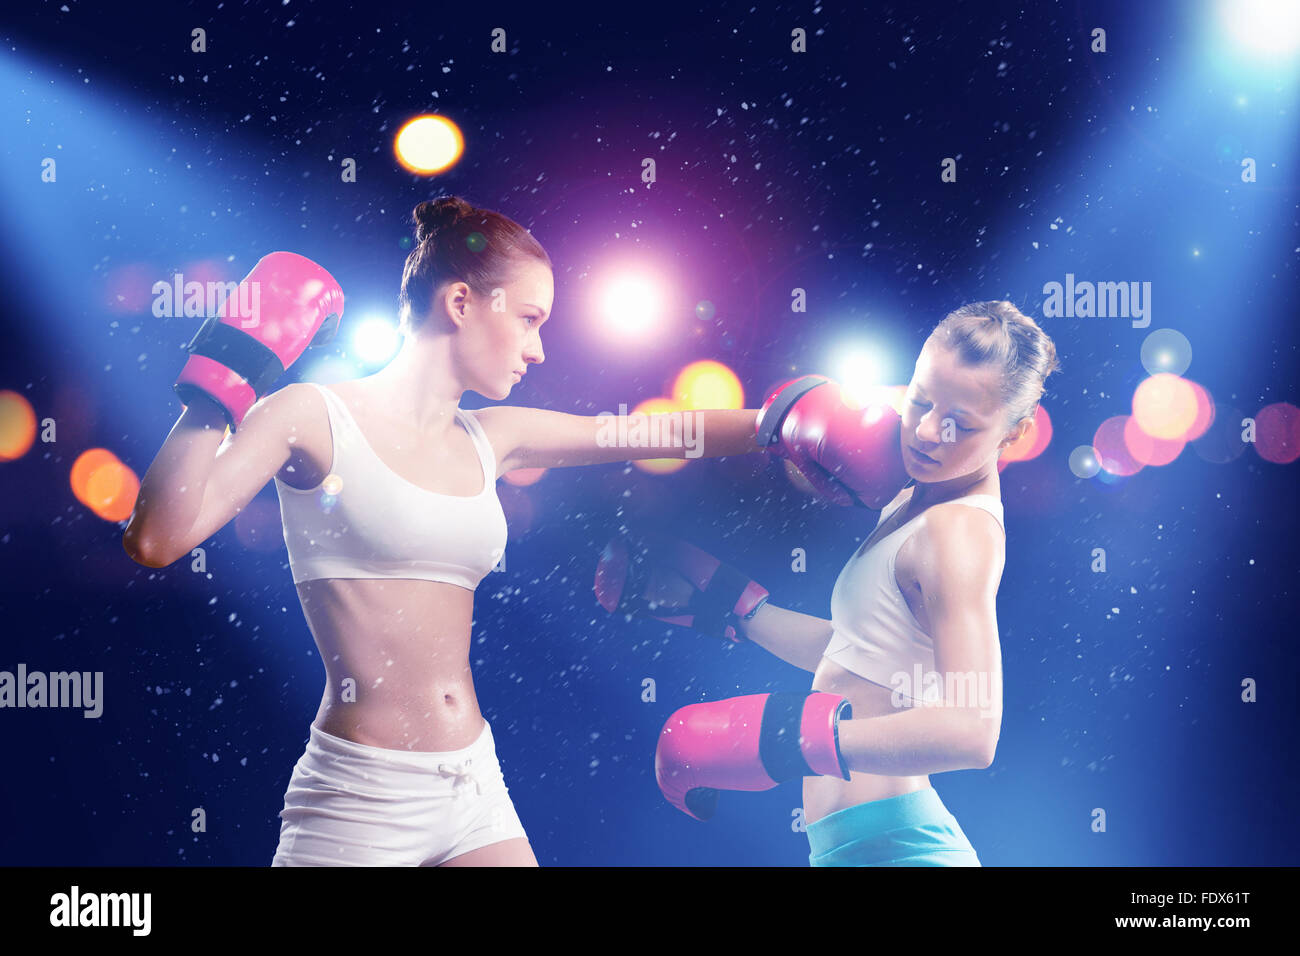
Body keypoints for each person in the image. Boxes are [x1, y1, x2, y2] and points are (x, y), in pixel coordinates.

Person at [121, 195, 762, 866]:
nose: (538, 349)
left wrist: (778, 423)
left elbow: (648, 432)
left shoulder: (495, 436)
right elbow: (158, 539)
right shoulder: (311, 415)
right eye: (528, 318)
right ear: (461, 303)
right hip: (360, 795)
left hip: (471, 784)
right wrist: (225, 375)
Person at [629, 301, 1060, 866]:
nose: (928, 432)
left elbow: (973, 729)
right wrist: (738, 609)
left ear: (1016, 430)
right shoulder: (917, 498)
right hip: (857, 848)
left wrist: (790, 740)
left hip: (896, 851)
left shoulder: (958, 532)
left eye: (961, 423)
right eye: (921, 401)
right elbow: (862, 656)